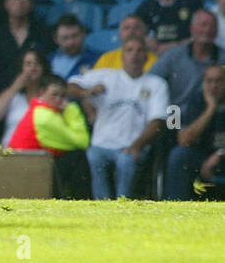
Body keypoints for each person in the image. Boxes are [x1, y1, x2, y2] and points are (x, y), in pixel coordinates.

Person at [69, 36, 169, 199]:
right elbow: (69, 87)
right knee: (93, 157)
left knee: (126, 161)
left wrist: (137, 145)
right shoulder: (105, 76)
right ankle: (102, 207)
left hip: (133, 146)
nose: (134, 55)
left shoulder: (156, 84)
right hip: (101, 145)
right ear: (122, 55)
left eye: (140, 51)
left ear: (146, 56)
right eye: (129, 50)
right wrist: (86, 93)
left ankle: (123, 205)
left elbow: (157, 121)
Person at [6, 73, 91, 198]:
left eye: (62, 96)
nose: (59, 100)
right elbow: (82, 142)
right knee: (78, 156)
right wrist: (71, 110)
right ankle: (81, 200)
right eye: (54, 94)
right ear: (42, 92)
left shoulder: (40, 111)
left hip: (27, 165)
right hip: (26, 170)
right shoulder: (45, 117)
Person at [166, 65, 225, 200]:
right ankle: (176, 205)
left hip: (220, 156)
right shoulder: (197, 100)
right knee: (179, 155)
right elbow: (184, 140)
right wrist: (210, 109)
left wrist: (219, 155)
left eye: (218, 81)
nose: (213, 86)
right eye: (209, 81)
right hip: (203, 155)